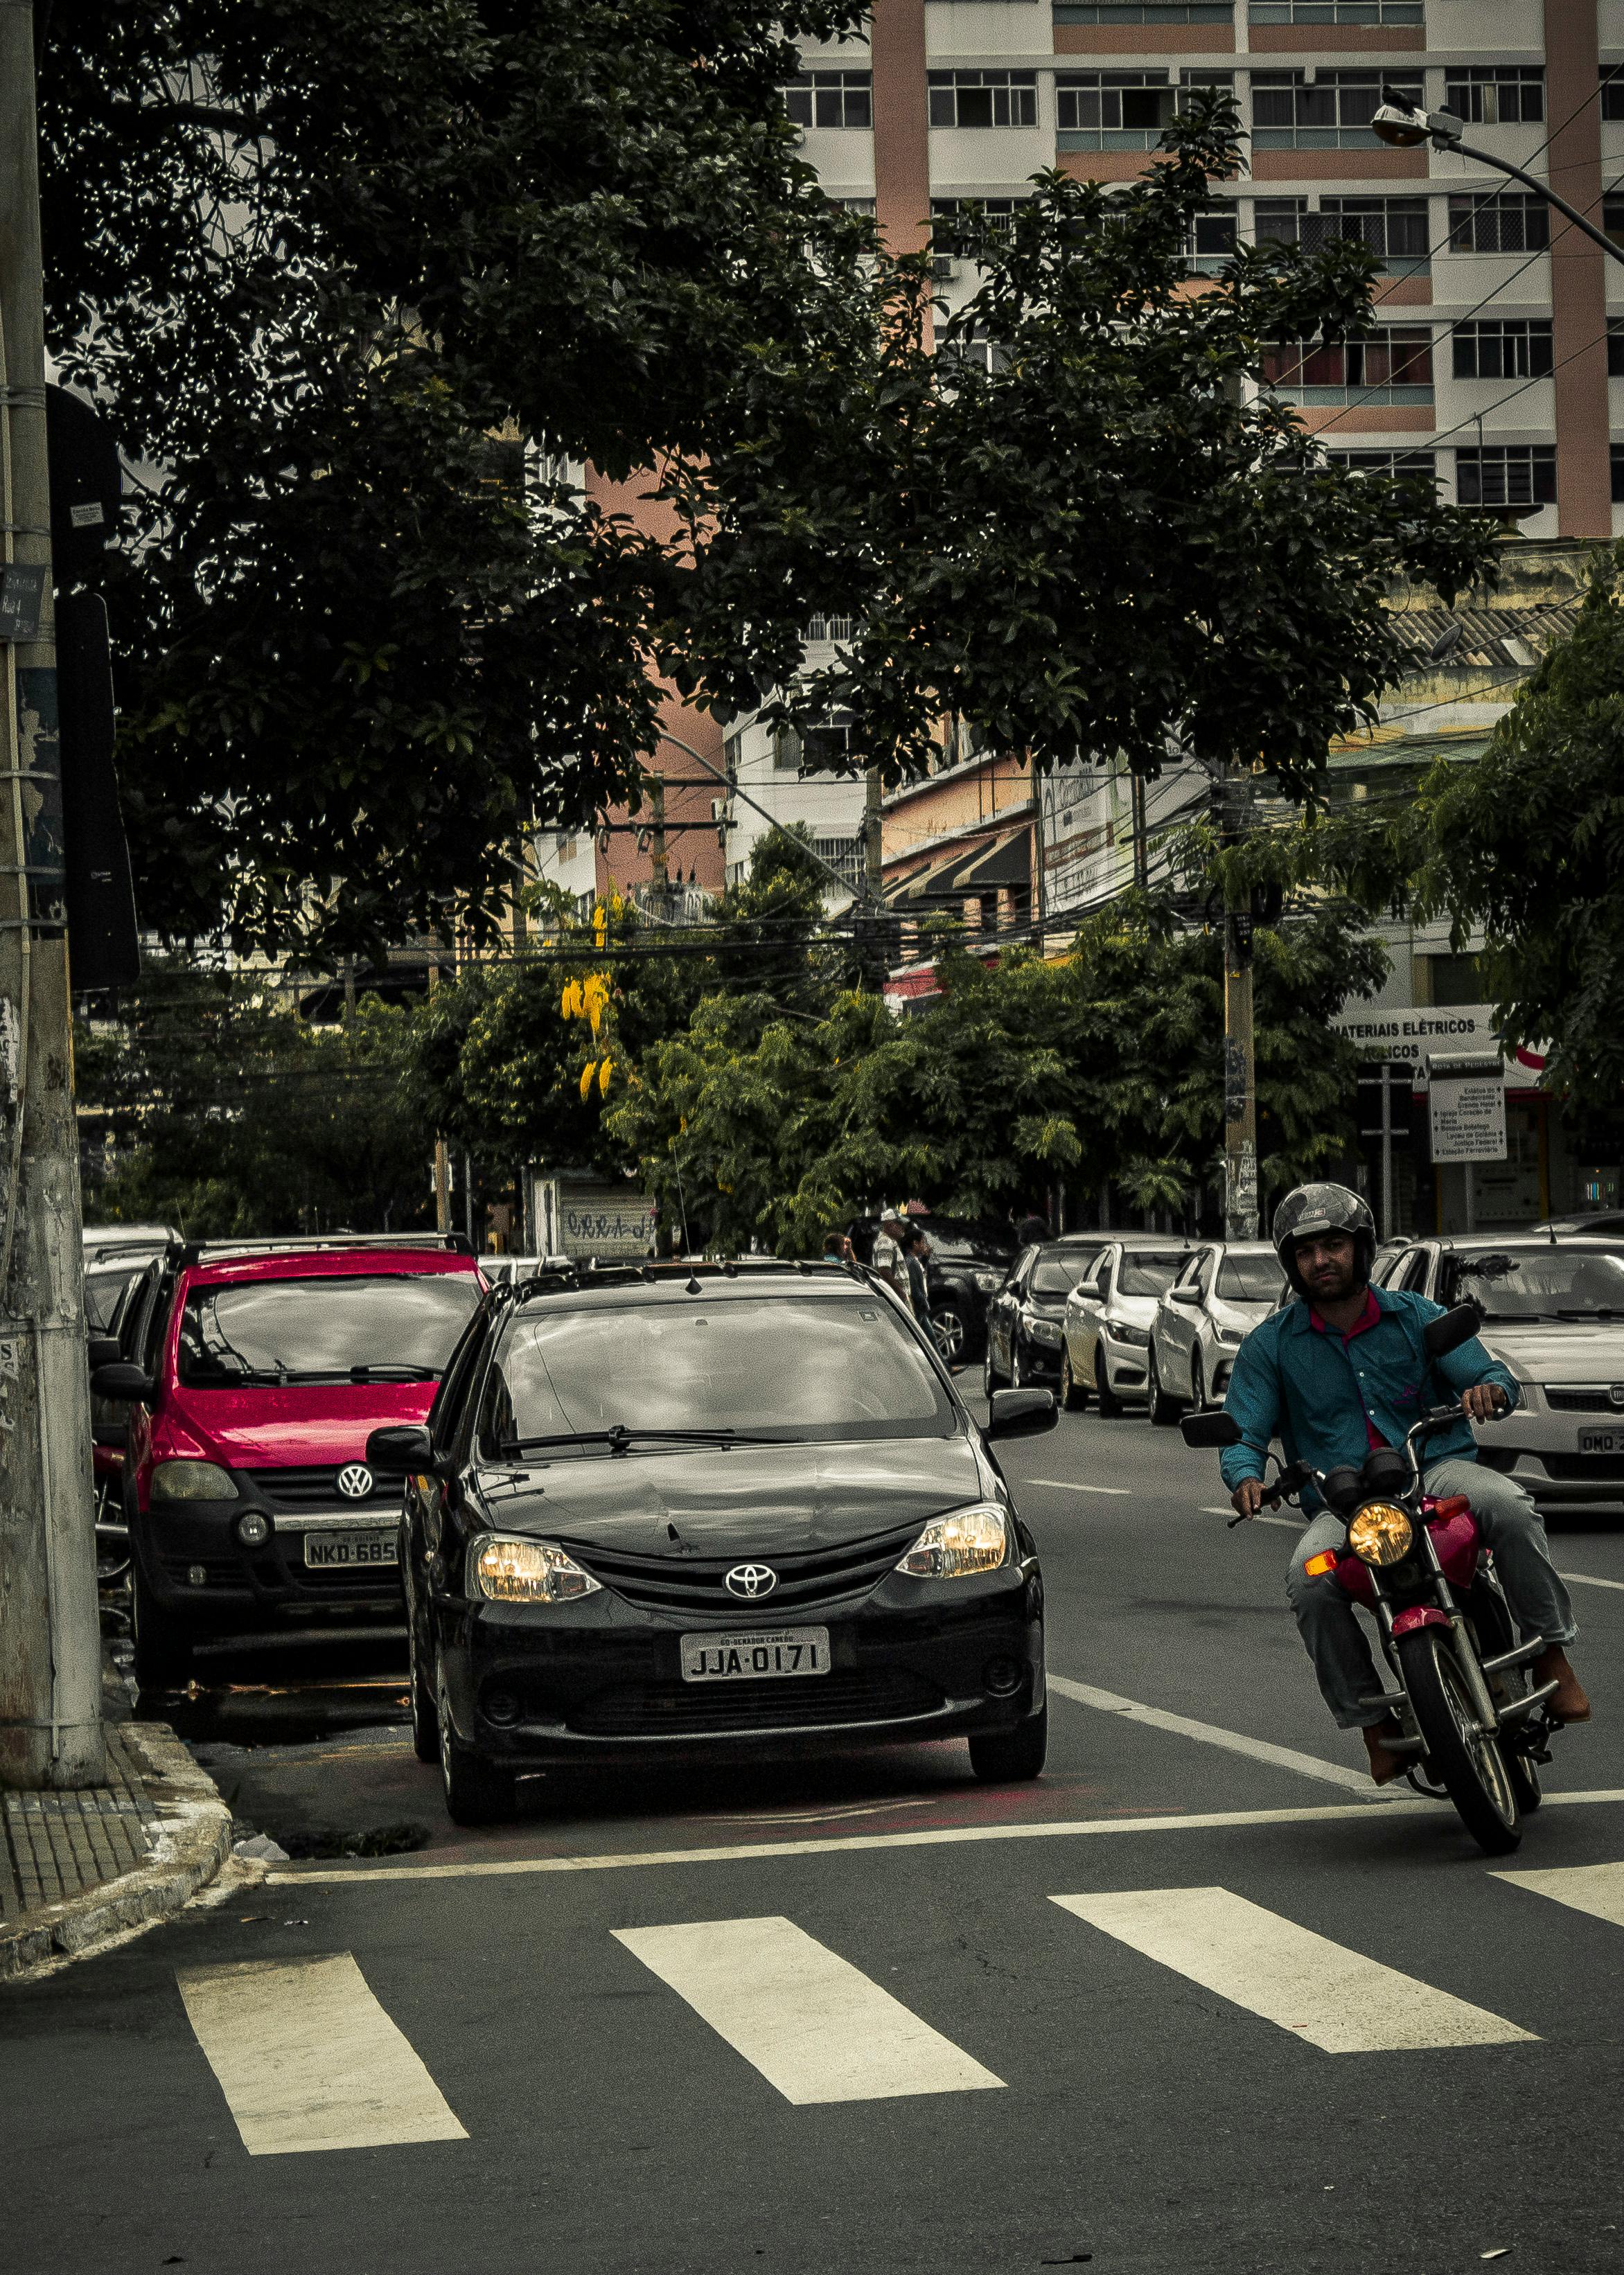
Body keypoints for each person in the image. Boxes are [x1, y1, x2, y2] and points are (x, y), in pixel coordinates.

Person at [1219, 1181, 1589, 1785]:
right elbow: (1245, 1431)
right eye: (1307, 1251)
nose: (1322, 1261)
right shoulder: (1271, 1345)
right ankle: (1372, 1725)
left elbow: (1486, 1368)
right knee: (1307, 1582)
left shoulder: (1415, 1316)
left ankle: (1552, 1651)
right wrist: (1245, 1477)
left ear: (1361, 1249)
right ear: (1292, 1264)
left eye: (1334, 1245)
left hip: (1433, 1470)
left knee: (1510, 1505)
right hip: (1344, 1502)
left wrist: (1489, 1389)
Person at [870, 1207, 913, 1313]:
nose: (903, 1228)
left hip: (897, 1298)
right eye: (900, 1225)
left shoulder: (890, 1241)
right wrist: (901, 1293)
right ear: (890, 1225)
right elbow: (884, 1270)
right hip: (894, 1299)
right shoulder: (885, 1242)